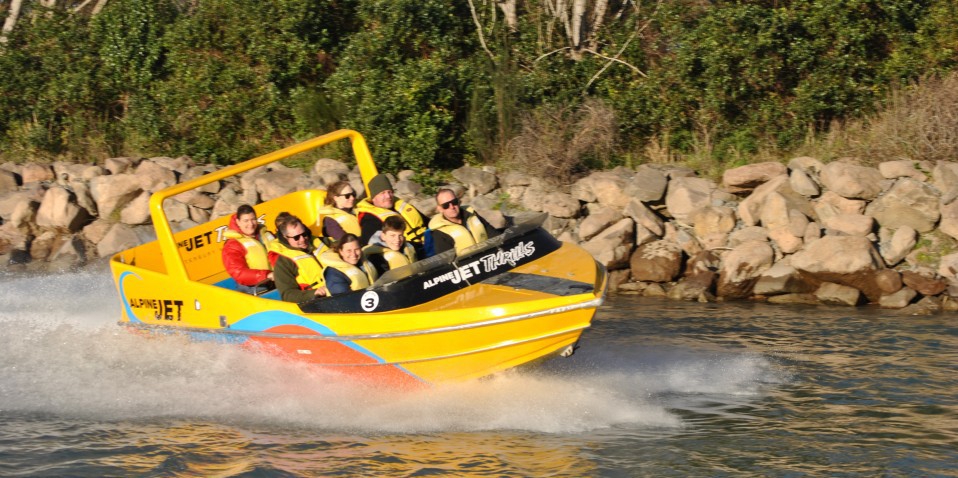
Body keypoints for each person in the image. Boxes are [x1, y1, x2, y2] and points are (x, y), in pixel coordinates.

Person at [355, 173, 428, 247]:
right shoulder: (369, 219)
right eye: (382, 193)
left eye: (389, 192)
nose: (388, 196)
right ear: (373, 198)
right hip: (409, 251)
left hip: (428, 243)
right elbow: (373, 244)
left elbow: (428, 222)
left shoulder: (401, 206)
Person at [270, 212, 329, 303]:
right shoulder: (283, 262)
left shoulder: (321, 241)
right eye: (296, 237)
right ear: (286, 237)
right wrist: (314, 293)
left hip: (339, 286)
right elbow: (287, 295)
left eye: (304, 234)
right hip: (317, 300)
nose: (302, 239)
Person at [221, 204, 275, 295]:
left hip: (279, 282)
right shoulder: (232, 245)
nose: (250, 224)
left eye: (253, 219)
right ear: (238, 222)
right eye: (246, 221)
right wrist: (267, 275)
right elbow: (238, 272)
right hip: (255, 290)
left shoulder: (266, 234)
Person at [428, 188, 501, 255]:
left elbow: (494, 235)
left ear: (459, 202)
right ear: (440, 209)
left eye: (454, 202)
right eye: (446, 205)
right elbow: (447, 262)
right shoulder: (440, 232)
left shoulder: (472, 215)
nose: (452, 207)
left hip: (490, 258)